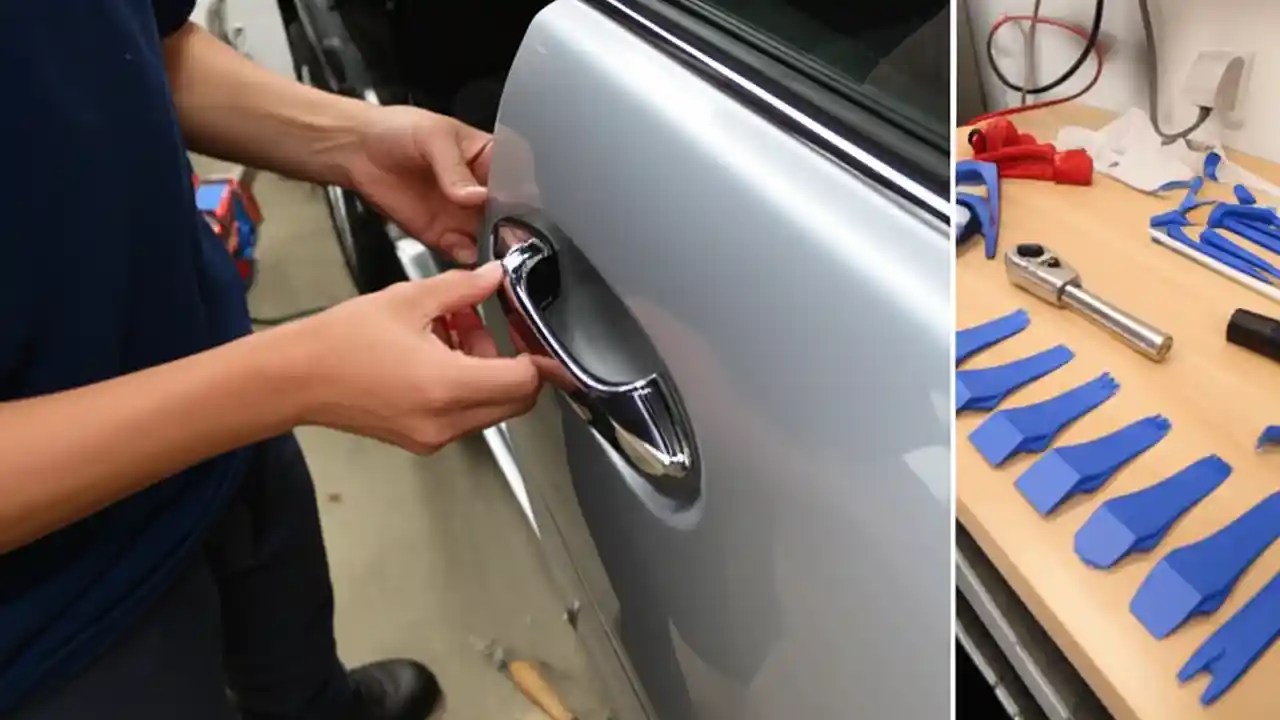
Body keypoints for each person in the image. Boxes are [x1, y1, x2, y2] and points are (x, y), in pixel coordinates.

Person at [0, 2, 543, 719]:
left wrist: (355, 140)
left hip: (216, 396)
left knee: (294, 652)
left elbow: (132, 45)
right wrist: (295, 377)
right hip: (61, 626)